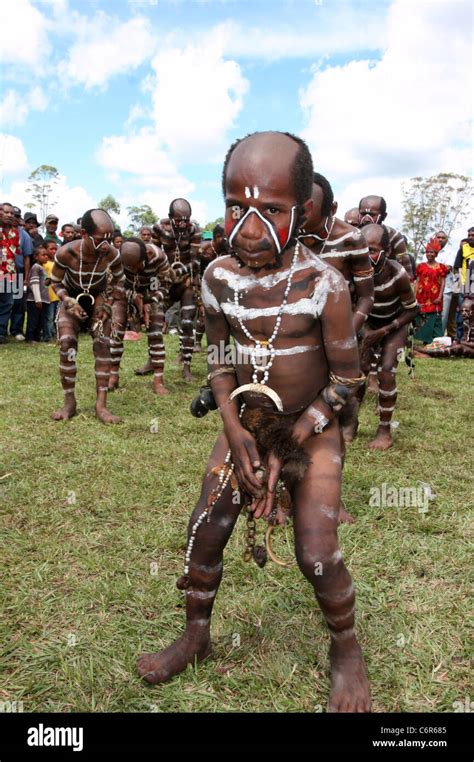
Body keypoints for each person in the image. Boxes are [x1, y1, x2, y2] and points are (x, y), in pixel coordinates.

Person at [138, 131, 371, 713]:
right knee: (206, 525)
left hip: (310, 431)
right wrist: (234, 426)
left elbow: (346, 380)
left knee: (315, 550)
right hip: (246, 419)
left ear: (305, 210)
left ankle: (347, 649)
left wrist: (292, 439)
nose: (248, 228)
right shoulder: (218, 278)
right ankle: (196, 635)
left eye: (270, 210)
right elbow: (219, 358)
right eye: (236, 207)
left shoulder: (325, 284)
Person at [49, 208, 125, 424]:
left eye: (109, 240)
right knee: (67, 345)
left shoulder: (111, 253)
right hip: (71, 299)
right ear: (83, 234)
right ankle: (69, 401)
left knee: (103, 346)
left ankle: (101, 405)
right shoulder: (66, 253)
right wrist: (68, 301)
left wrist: (108, 305)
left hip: (99, 299)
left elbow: (120, 282)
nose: (105, 245)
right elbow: (54, 281)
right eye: (100, 240)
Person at [359, 224, 418, 450]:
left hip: (395, 325)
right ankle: (349, 424)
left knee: (386, 371)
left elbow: (412, 310)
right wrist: (365, 333)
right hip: (370, 324)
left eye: (372, 250)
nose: (366, 255)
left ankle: (384, 431)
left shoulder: (397, 274)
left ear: (387, 251)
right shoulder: (357, 272)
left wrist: (383, 331)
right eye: (362, 249)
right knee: (358, 372)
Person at [109, 237, 172, 394]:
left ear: (147, 255)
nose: (132, 269)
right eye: (128, 266)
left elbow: (166, 285)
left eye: (136, 265)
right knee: (116, 330)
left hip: (152, 293)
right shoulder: (117, 258)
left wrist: (151, 301)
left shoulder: (158, 257)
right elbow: (114, 286)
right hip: (125, 293)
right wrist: (133, 297)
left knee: (156, 332)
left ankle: (158, 380)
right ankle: (113, 375)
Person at [151, 199, 202, 381]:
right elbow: (154, 254)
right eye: (179, 220)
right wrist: (163, 273)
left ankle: (186, 366)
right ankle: (152, 360)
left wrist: (178, 272)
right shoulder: (159, 230)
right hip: (166, 282)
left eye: (186, 220)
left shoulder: (194, 231)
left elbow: (196, 262)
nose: (183, 224)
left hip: (186, 282)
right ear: (170, 217)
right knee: (155, 320)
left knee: (187, 323)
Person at [358, 195, 414, 278]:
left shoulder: (394, 237)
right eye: (363, 214)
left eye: (372, 215)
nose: (366, 219)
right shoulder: (352, 236)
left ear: (384, 216)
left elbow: (407, 273)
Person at [195, 224, 230, 351]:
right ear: (216, 237)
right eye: (224, 237)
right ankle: (197, 343)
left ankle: (221, 345)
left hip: (221, 285)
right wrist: (198, 293)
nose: (226, 239)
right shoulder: (204, 249)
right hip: (202, 283)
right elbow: (195, 270)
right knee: (203, 314)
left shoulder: (227, 248)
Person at [414, 238, 448, 345]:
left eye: (432, 252)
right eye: (428, 252)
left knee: (434, 316)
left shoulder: (441, 267)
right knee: (423, 317)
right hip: (422, 297)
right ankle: (425, 339)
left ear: (436, 254)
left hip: (435, 297)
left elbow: (442, 283)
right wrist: (414, 296)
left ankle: (435, 339)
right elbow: (417, 282)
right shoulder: (421, 266)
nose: (429, 254)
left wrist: (439, 296)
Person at [9, 206, 32, 341]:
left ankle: (16, 330)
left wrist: (26, 277)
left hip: (18, 274)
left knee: (17, 303)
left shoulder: (24, 235)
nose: (15, 219)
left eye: (17, 216)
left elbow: (27, 257)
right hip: (3, 273)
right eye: (13, 216)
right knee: (4, 302)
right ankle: (2, 329)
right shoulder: (2, 232)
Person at [0, 203, 19, 344]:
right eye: (7, 212)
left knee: (8, 303)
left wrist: (12, 227)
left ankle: (1, 332)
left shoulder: (14, 231)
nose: (10, 215)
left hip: (10, 273)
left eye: (12, 213)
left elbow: (14, 251)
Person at [25, 243, 50, 343]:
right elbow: (34, 284)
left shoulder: (42, 268)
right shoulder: (36, 267)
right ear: (35, 257)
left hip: (43, 299)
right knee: (33, 319)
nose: (46, 257)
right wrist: (38, 300)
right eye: (43, 255)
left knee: (40, 320)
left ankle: (36, 337)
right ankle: (30, 338)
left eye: (47, 255)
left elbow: (45, 284)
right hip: (35, 299)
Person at [43, 241, 60, 342]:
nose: (54, 251)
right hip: (48, 295)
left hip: (57, 295)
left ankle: (54, 333)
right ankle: (47, 336)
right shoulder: (45, 264)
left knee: (55, 317)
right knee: (48, 317)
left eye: (55, 249)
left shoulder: (57, 263)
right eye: (51, 249)